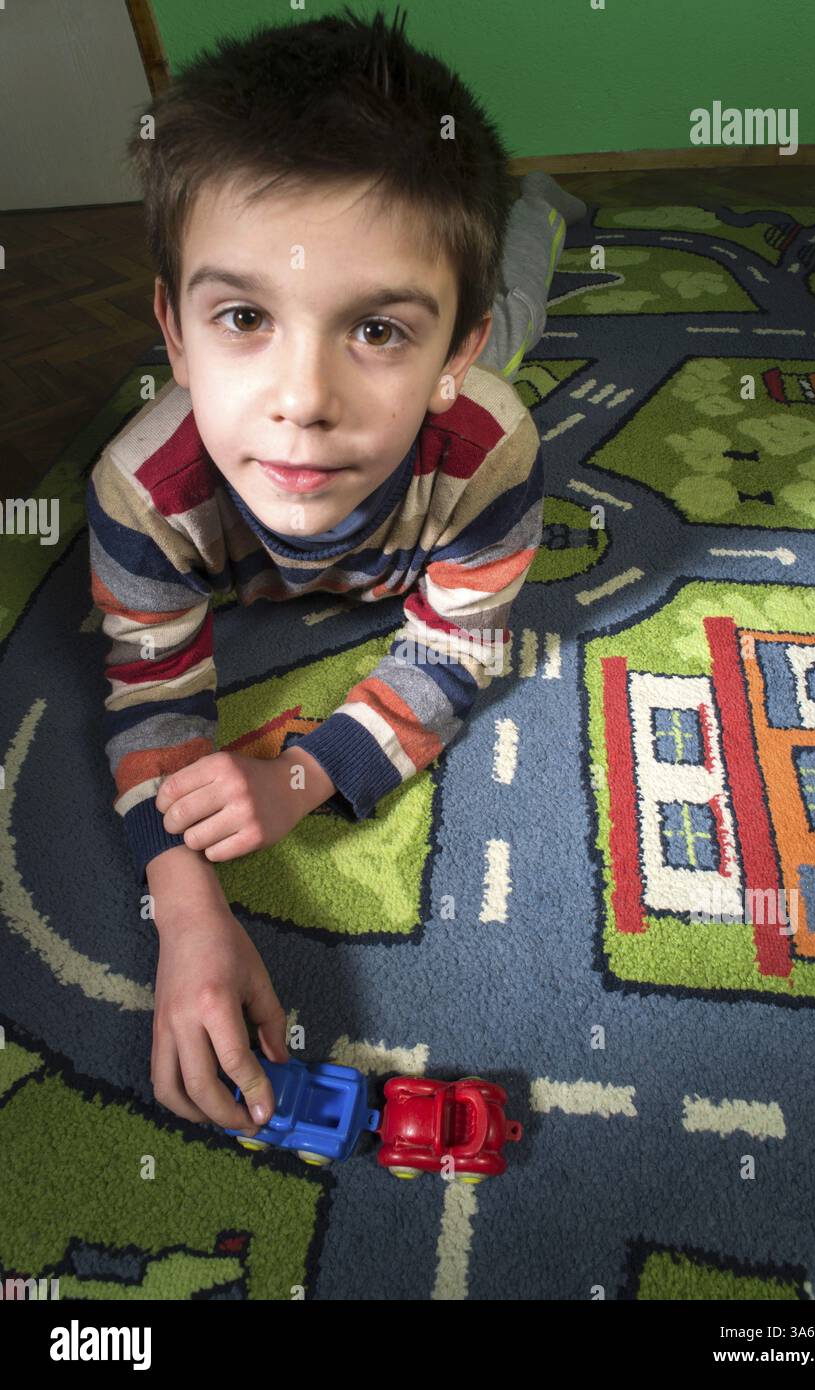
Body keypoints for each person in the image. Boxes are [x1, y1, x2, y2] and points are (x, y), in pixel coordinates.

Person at [86, 6, 587, 1140]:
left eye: (377, 330)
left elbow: (457, 645)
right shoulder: (141, 490)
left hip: (481, 355)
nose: (302, 402)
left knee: (517, 305)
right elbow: (149, 687)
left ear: (441, 353)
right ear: (173, 330)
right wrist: (185, 905)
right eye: (244, 316)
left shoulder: (485, 442)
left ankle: (540, 217)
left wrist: (306, 776)